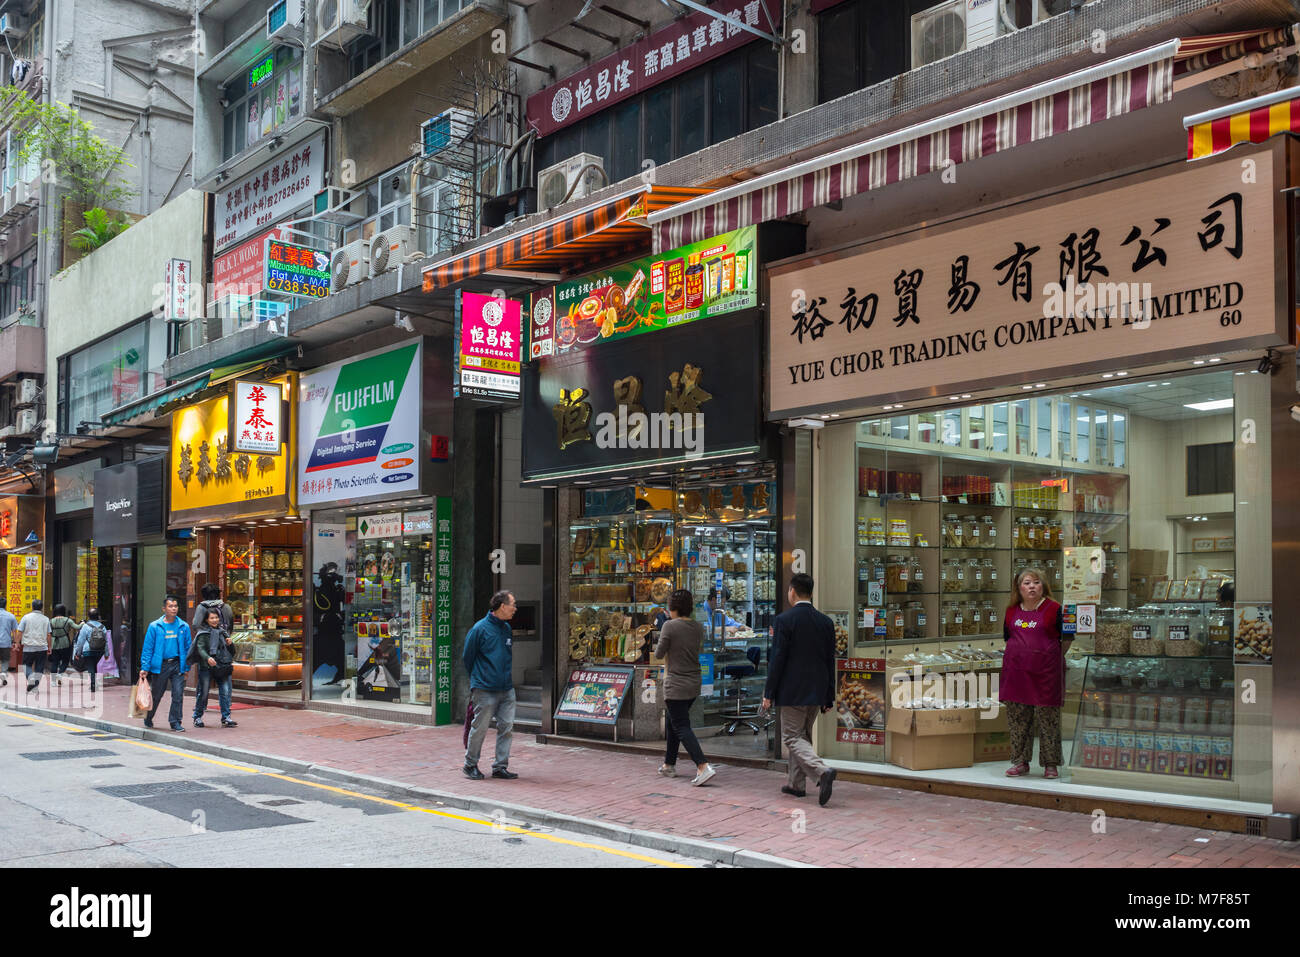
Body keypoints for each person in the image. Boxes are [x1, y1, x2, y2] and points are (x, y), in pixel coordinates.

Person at [762, 573, 837, 806]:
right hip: (817, 691)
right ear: (811, 593)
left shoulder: (785, 620)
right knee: (802, 736)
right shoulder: (825, 622)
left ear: (792, 591)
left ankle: (821, 770)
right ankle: (796, 785)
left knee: (792, 737)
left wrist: (768, 693)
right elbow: (829, 661)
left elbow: (778, 660)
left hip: (792, 691)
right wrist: (828, 696)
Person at [1000, 567, 1069, 780]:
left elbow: (1067, 639)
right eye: (1027, 583)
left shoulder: (1056, 609)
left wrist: (1049, 657)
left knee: (1048, 719)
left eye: (1036, 582)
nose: (1032, 587)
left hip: (1046, 674)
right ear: (1019, 588)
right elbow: (1007, 637)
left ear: (1044, 586)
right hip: (1017, 673)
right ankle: (1020, 761)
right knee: (1018, 719)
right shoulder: (1011, 611)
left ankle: (1051, 763)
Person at [654, 589, 716, 786]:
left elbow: (658, 653)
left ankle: (702, 766)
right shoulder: (698, 627)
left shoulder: (670, 626)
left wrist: (664, 626)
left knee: (681, 726)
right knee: (674, 722)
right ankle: (668, 765)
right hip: (693, 683)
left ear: (673, 607)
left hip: (676, 684)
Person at [462, 590, 518, 780]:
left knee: (507, 727)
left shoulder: (507, 629)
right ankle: (470, 765)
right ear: (502, 606)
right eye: (513, 604)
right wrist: (478, 680)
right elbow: (467, 657)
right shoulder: (480, 628)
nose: (515, 609)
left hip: (506, 688)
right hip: (485, 688)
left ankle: (500, 766)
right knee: (480, 728)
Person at [140, 595, 192, 732]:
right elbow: (148, 648)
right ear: (164, 608)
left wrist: (186, 667)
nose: (174, 609)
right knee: (157, 694)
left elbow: (188, 649)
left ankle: (175, 721)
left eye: (175, 606)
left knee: (178, 693)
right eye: (170, 606)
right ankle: (148, 716)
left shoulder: (183, 626)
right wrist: (145, 667)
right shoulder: (155, 626)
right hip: (161, 665)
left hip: (177, 664)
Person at [192, 607, 237, 728]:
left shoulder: (223, 632)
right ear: (206, 619)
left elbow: (232, 652)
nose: (214, 620)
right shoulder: (202, 633)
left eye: (216, 617)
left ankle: (226, 717)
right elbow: (200, 648)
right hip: (206, 667)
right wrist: (207, 658)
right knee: (204, 692)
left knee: (225, 692)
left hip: (222, 666)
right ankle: (197, 716)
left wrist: (230, 643)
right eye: (211, 618)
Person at [16, 599, 52, 694]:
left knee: (26, 666)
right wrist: (49, 647)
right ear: (41, 608)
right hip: (42, 648)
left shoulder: (26, 618)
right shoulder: (46, 619)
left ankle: (31, 679)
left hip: (29, 647)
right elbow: (49, 634)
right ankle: (35, 688)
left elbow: (20, 631)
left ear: (32, 607)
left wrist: (17, 643)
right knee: (39, 668)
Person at [73, 608, 110, 695]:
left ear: (89, 616)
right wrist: (106, 653)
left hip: (88, 651)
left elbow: (80, 641)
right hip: (99, 651)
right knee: (94, 666)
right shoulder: (102, 627)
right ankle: (95, 683)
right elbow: (106, 641)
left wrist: (78, 653)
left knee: (90, 667)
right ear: (98, 616)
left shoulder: (86, 626)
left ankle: (93, 685)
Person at [48, 604, 79, 686]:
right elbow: (77, 627)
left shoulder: (51, 621)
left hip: (54, 643)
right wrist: (82, 623)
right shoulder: (68, 620)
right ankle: (60, 673)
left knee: (55, 662)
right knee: (65, 660)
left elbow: (48, 633)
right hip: (65, 643)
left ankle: (53, 682)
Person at [0, 597, 15, 687]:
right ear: (6, 605)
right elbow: (14, 631)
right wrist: (16, 642)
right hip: (6, 642)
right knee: (5, 659)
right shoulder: (10, 616)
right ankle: (3, 673)